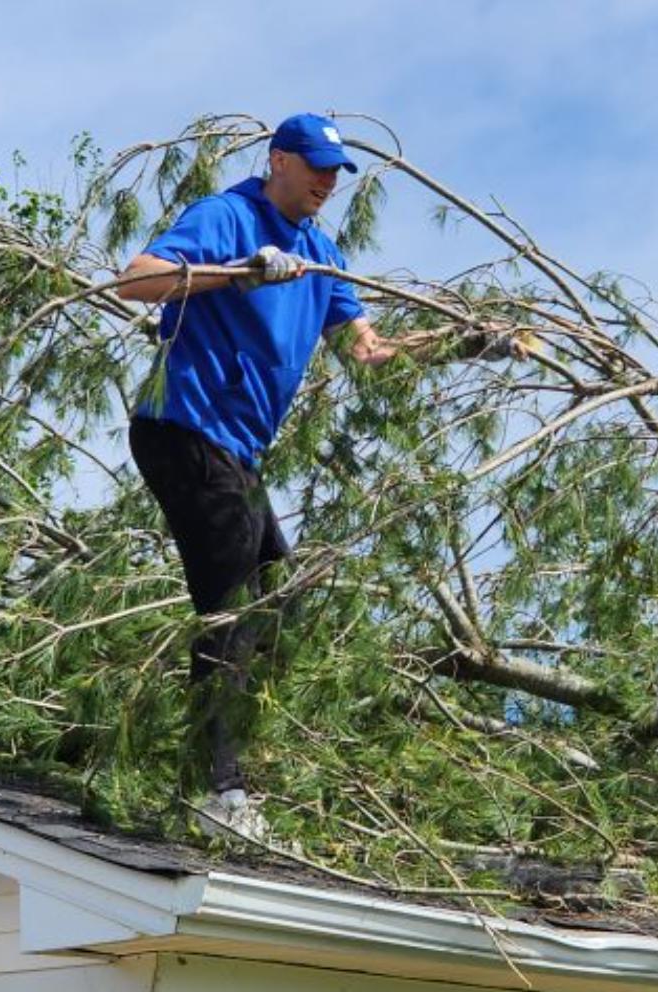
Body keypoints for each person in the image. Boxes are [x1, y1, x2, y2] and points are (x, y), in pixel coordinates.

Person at [114, 113, 403, 840]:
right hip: (182, 426)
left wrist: (472, 342)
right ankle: (215, 793)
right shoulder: (228, 215)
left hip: (234, 450)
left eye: (335, 172)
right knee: (233, 603)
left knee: (278, 597)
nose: (326, 182)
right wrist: (242, 271)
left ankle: (204, 755)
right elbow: (136, 282)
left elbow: (368, 354)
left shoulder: (321, 252)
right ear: (277, 159)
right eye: (314, 166)